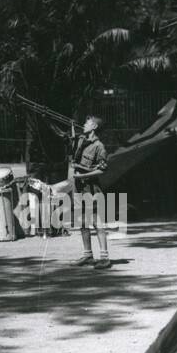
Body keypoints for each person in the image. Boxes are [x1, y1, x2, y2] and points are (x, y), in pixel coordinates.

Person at [70, 114, 110, 270]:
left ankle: (105, 258)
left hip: (91, 188)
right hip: (79, 188)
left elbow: (102, 170)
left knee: (96, 222)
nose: (84, 125)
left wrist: (83, 175)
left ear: (94, 127)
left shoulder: (99, 146)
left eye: (87, 123)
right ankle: (88, 255)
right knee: (82, 222)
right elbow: (71, 140)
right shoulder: (81, 141)